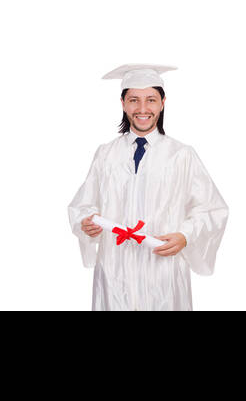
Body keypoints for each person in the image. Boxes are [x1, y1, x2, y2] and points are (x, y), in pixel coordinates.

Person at [68, 64, 229, 310]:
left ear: (162, 103)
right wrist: (87, 223)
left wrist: (185, 236)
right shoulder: (106, 154)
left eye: (151, 100)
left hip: (163, 274)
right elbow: (83, 205)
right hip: (115, 271)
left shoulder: (181, 155)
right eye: (134, 100)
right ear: (123, 103)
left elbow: (211, 209)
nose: (142, 109)